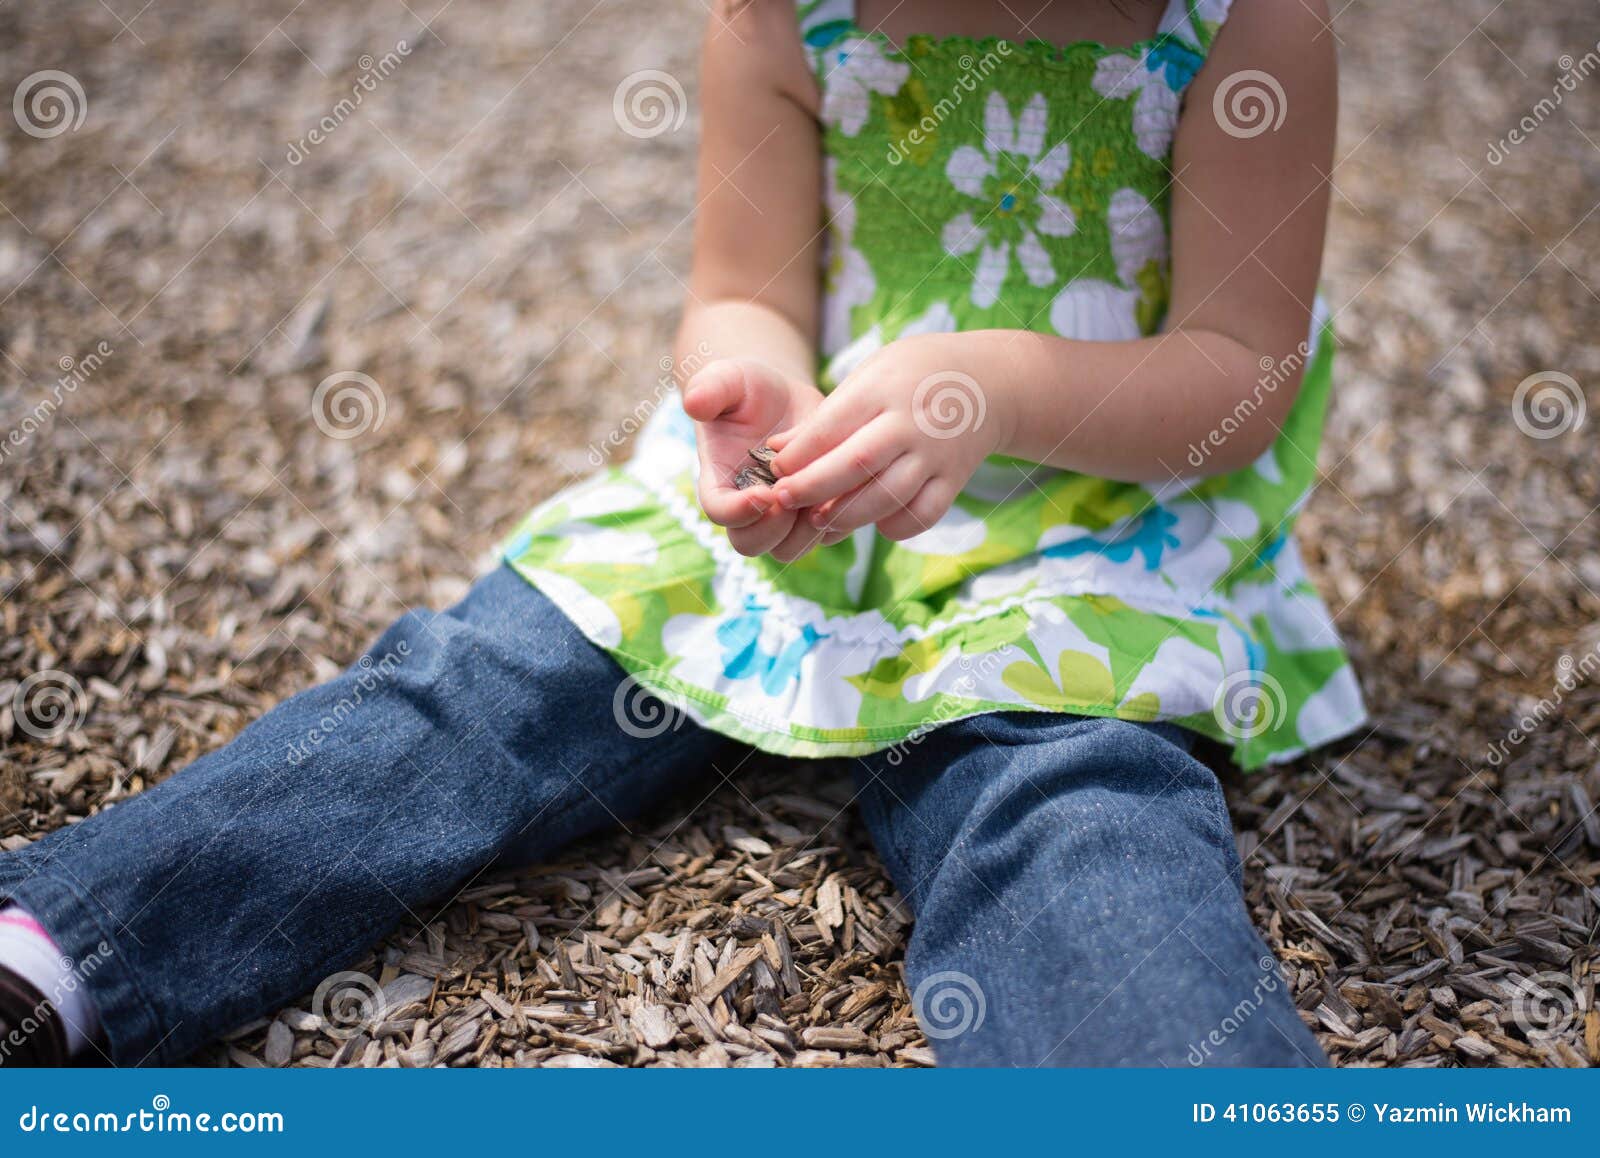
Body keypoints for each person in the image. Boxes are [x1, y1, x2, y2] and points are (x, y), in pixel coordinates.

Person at [1, 0, 1363, 1067]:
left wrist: (990, 386)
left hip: (1084, 538)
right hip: (806, 489)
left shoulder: (1242, 29)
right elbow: (742, 296)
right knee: (481, 685)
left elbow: (1241, 369)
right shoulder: (786, 13)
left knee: (1071, 813)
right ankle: (69, 946)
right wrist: (752, 390)